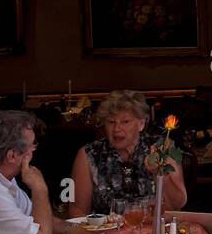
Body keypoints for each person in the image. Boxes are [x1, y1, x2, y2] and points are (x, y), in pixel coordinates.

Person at [67, 89, 187, 218]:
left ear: (141, 124)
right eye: (111, 122)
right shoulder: (89, 154)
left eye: (125, 122)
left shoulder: (160, 147)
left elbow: (177, 204)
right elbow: (77, 210)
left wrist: (160, 173)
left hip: (150, 232)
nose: (117, 129)